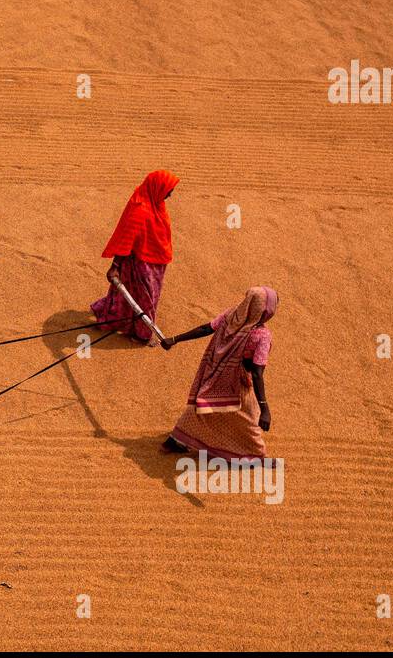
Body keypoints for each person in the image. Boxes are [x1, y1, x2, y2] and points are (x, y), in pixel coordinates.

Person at [160, 286, 278, 460]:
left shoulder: (233, 315)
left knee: (205, 405)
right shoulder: (262, 335)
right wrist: (265, 408)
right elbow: (257, 373)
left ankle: (176, 439)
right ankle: (255, 456)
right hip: (238, 383)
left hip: (215, 373)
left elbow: (206, 328)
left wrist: (175, 339)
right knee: (249, 417)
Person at [91, 170, 179, 343]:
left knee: (148, 295)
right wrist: (115, 266)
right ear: (158, 187)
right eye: (168, 189)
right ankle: (142, 334)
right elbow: (126, 238)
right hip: (142, 263)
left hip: (157, 260)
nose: (170, 194)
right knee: (146, 297)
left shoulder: (156, 202)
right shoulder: (141, 209)